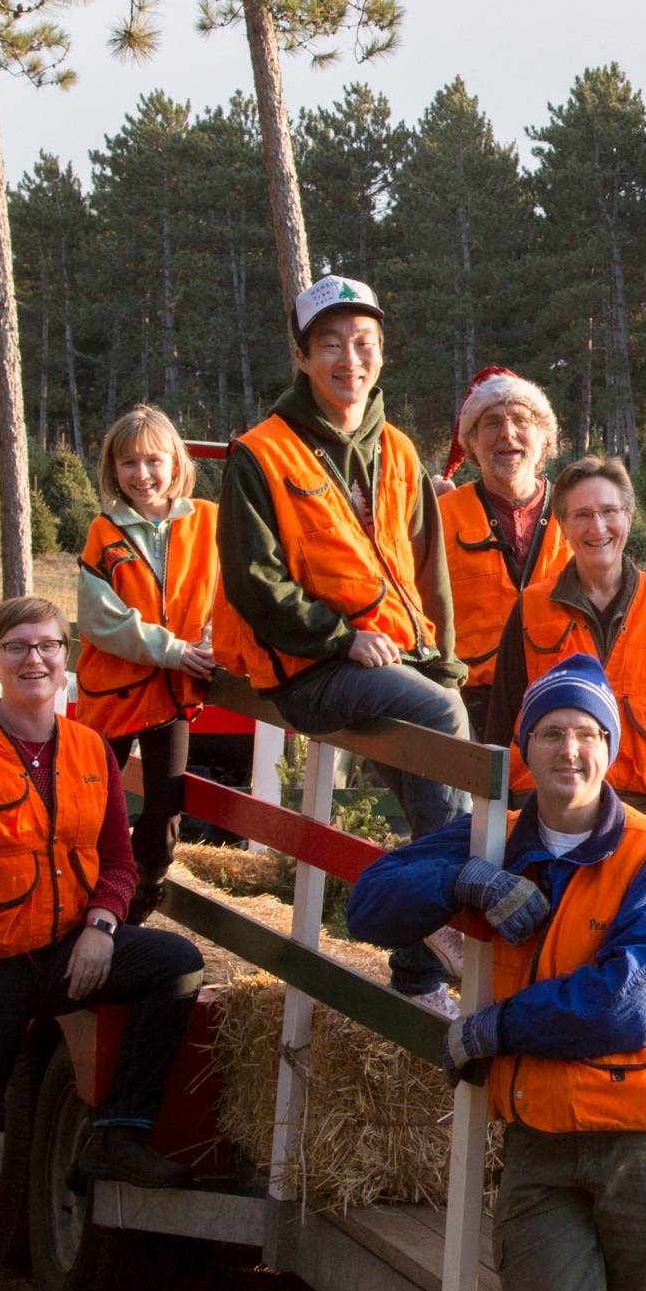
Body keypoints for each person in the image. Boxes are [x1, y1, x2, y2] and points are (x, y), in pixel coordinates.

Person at [346, 653, 646, 1291]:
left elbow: (627, 1006)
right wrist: (464, 882)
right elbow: (367, 906)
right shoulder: (494, 836)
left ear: (609, 746)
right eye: (550, 732)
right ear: (525, 745)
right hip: (540, 1145)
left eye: (586, 732)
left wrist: (496, 1028)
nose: (569, 749)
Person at [0, 596, 205, 1291]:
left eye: (50, 646)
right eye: (18, 647)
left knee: (176, 963)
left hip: (65, 950)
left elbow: (121, 862)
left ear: (68, 659)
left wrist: (102, 925)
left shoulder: (91, 747)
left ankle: (117, 1132)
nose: (36, 659)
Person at [214, 273, 473, 1001]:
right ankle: (452, 917)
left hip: (397, 659)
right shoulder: (260, 454)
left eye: (363, 344)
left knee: (441, 773)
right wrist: (338, 637)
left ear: (381, 355)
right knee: (443, 727)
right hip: (306, 669)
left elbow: (429, 572)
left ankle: (420, 976)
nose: (348, 359)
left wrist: (443, 661)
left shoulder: (398, 452)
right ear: (301, 356)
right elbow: (253, 582)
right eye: (329, 344)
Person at [484, 456, 646, 875]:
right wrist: (491, 816)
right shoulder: (531, 606)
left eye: (609, 512)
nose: (598, 528)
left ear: (628, 516)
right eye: (583, 515)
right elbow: (500, 722)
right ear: (563, 525)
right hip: (548, 812)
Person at [76, 405, 220, 922]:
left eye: (153, 461)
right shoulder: (104, 533)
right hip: (111, 694)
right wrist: (175, 650)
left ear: (176, 463)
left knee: (165, 804)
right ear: (112, 471)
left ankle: (135, 904)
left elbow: (228, 595)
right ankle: (80, 898)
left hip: (172, 697)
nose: (142, 475)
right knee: (94, 803)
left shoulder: (207, 522)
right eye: (128, 463)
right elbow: (102, 619)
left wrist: (211, 639)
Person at [435, 367, 571, 738]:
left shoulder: (577, 511)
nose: (507, 433)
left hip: (562, 704)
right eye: (491, 423)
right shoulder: (439, 517)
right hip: (465, 711)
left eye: (521, 420)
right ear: (472, 442)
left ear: (544, 438)